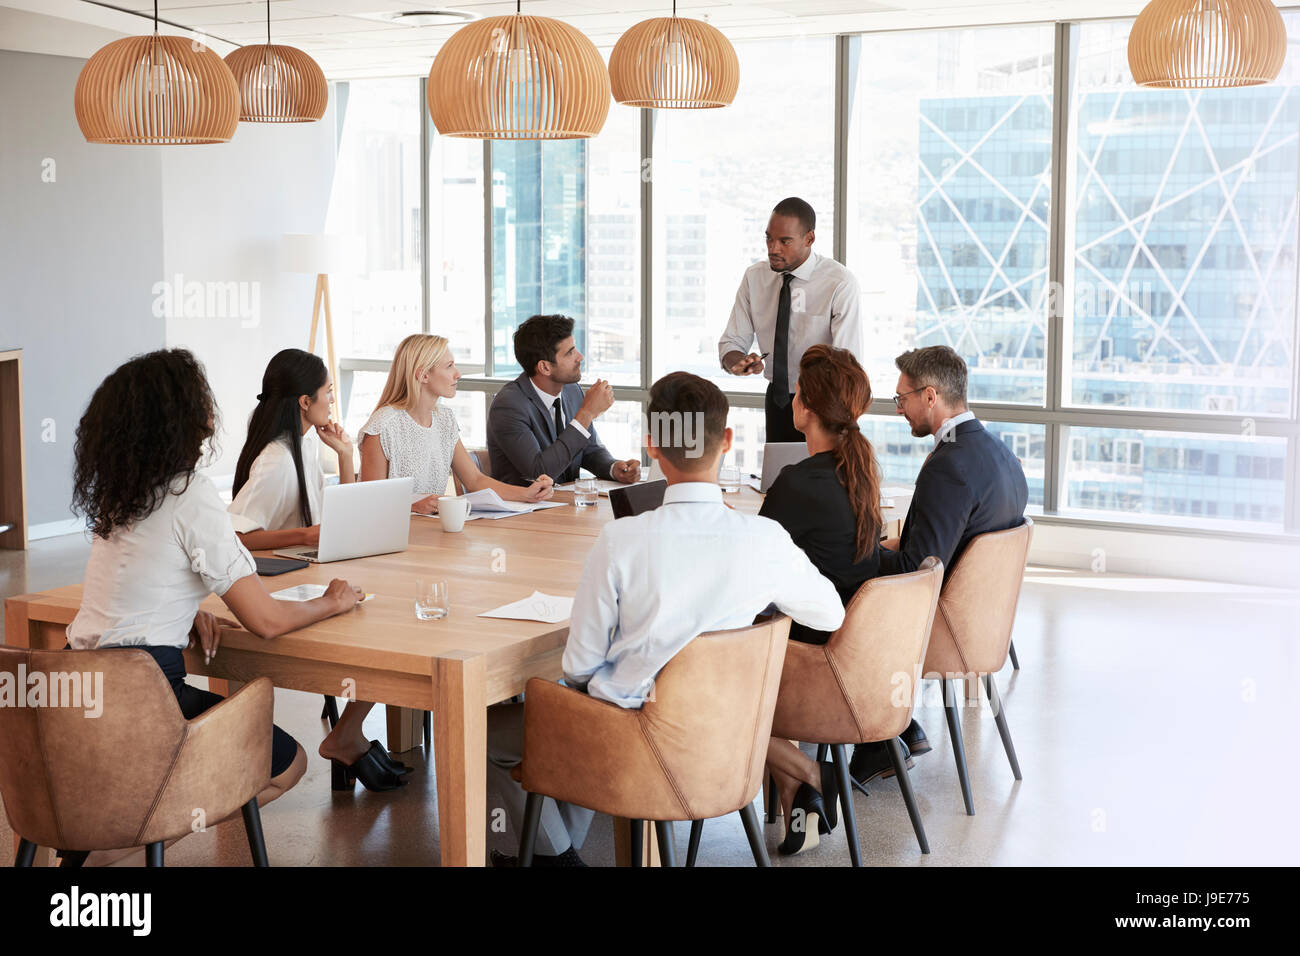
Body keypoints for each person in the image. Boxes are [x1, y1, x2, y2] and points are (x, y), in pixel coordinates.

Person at [486, 372, 846, 866]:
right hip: (733, 744)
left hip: (630, 752)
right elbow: (830, 612)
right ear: (727, 440)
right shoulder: (766, 540)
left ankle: (555, 855)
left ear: (652, 446)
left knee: (493, 728)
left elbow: (579, 668)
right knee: (578, 711)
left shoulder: (622, 541)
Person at [66, 349, 365, 860]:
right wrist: (332, 603)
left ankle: (99, 851)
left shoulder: (120, 497)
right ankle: (107, 854)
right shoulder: (191, 495)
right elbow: (266, 622)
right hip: (147, 699)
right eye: (202, 401)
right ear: (183, 417)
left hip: (77, 690)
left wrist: (183, 615)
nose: (211, 414)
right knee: (286, 765)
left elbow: (130, 589)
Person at [228, 348, 410, 792]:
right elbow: (234, 538)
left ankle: (348, 734)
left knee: (392, 618)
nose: (333, 398)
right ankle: (347, 737)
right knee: (387, 629)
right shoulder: (275, 461)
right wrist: (304, 537)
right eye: (328, 390)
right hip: (282, 590)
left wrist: (345, 455)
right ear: (304, 402)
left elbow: (340, 516)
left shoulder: (305, 447)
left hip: (303, 579)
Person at [849, 344, 1028, 788]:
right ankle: (900, 729)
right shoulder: (1001, 455)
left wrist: (861, 557)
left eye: (902, 399)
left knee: (846, 596)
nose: (899, 410)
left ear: (930, 396)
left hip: (944, 630)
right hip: (982, 624)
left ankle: (878, 738)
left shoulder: (948, 466)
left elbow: (918, 569)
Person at [756, 344, 887, 855]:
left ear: (805, 409)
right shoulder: (862, 475)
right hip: (854, 652)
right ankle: (801, 788)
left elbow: (753, 567)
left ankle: (812, 771)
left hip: (811, 663)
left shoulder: (797, 482)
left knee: (690, 678)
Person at [718, 197, 864, 443]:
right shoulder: (755, 277)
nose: (773, 249)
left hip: (825, 403)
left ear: (809, 239)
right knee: (778, 475)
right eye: (769, 238)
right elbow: (731, 343)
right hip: (777, 400)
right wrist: (738, 361)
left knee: (822, 478)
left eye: (785, 241)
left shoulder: (839, 282)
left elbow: (848, 365)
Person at [358, 333, 555, 513]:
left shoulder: (445, 419)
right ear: (423, 375)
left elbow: (474, 480)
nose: (457, 374)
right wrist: (412, 506)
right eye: (449, 366)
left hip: (433, 530)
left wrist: (527, 494)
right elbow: (369, 501)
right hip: (392, 535)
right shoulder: (383, 426)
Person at [487, 314, 640, 486]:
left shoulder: (572, 391)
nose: (580, 357)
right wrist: (587, 413)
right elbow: (539, 472)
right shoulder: (508, 405)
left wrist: (614, 468)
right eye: (570, 353)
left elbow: (588, 449)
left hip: (566, 505)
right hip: (525, 509)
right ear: (545, 367)